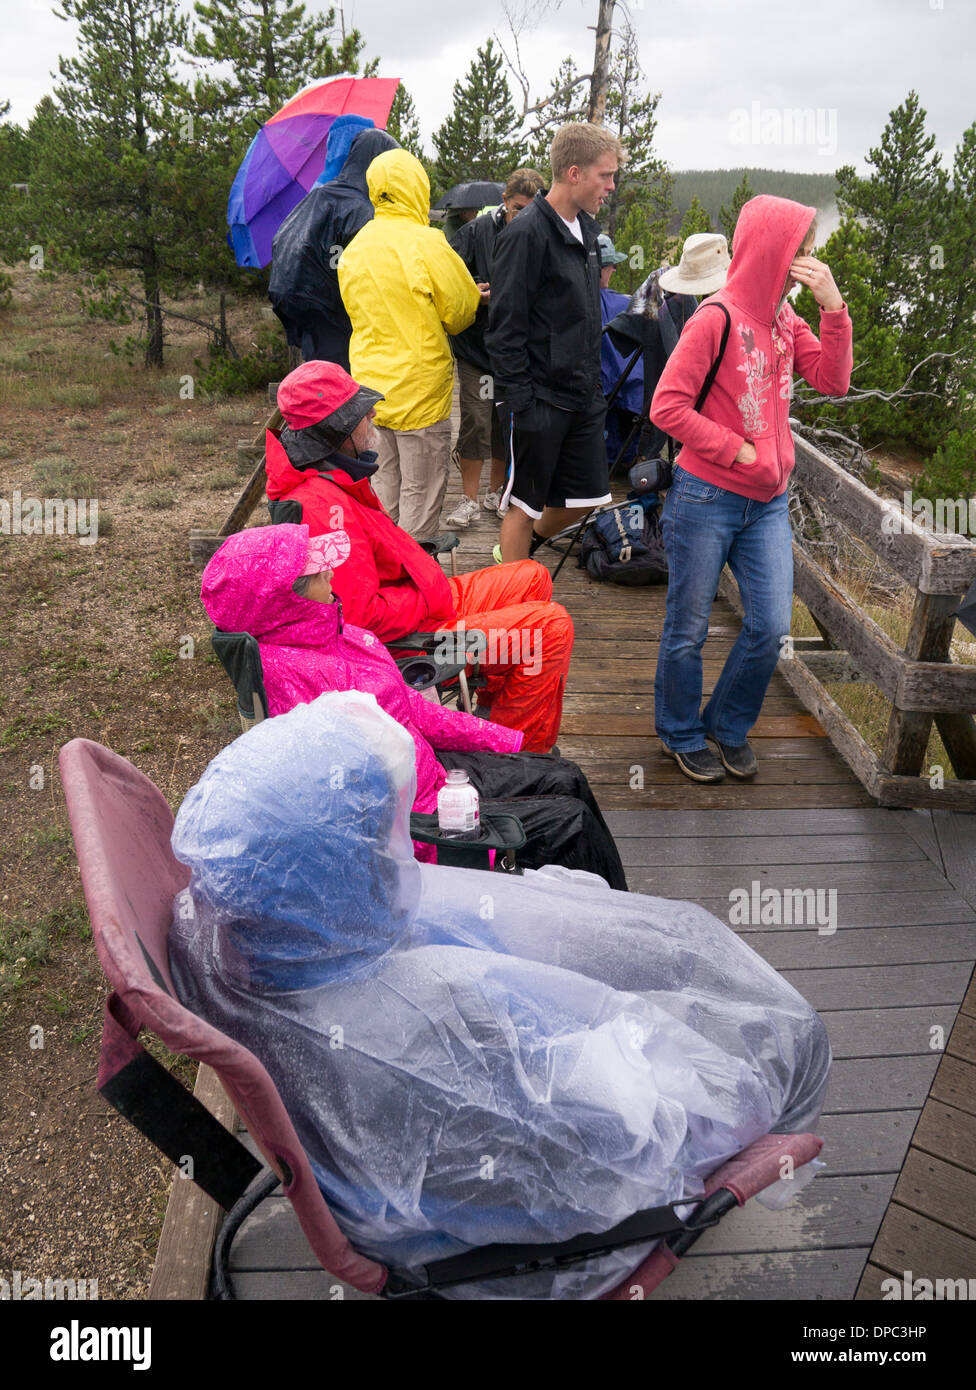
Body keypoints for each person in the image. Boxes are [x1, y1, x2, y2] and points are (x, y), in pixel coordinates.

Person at [169, 691, 832, 1299]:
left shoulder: (237, 934)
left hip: (404, 1179)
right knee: (769, 1040)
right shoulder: (420, 1026)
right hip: (502, 1250)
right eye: (382, 836)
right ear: (343, 869)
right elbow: (601, 1159)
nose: (394, 851)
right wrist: (661, 1082)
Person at [201, 522, 626, 887]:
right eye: (318, 571)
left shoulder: (338, 636)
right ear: (285, 599)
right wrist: (442, 837)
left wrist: (506, 741)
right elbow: (354, 801)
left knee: (565, 776)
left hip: (430, 769)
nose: (331, 574)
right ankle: (620, 939)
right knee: (573, 824)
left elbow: (414, 709)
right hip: (422, 820)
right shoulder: (297, 679)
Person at [264, 359, 575, 753]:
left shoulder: (329, 477)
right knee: (549, 630)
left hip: (421, 608)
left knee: (531, 575)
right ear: (338, 432)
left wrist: (426, 589)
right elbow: (357, 619)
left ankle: (495, 720)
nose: (373, 413)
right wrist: (424, 595)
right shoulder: (322, 507)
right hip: (409, 642)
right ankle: (520, 758)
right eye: (360, 412)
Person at [650, 195, 852, 784]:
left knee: (770, 626)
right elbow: (668, 406)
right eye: (800, 247)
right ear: (772, 250)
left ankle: (727, 726)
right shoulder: (715, 317)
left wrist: (833, 308)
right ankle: (680, 732)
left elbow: (833, 382)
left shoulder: (785, 320)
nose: (807, 258)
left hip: (767, 503)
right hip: (705, 496)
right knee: (687, 629)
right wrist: (734, 448)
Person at [485, 122, 625, 562]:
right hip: (537, 399)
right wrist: (520, 402)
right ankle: (513, 602)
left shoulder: (586, 230)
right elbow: (504, 327)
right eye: (605, 175)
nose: (612, 185)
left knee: (588, 498)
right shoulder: (525, 234)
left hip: (582, 395)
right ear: (574, 173)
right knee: (523, 505)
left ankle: (524, 551)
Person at [337, 148, 480, 541]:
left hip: (369, 392)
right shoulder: (428, 243)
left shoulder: (355, 248)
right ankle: (414, 577)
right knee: (422, 490)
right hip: (420, 392)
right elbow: (460, 311)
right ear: (416, 187)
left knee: (382, 488)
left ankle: (382, 572)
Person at [445, 168, 547, 529]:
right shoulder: (475, 232)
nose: (525, 214)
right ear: (504, 202)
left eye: (532, 208)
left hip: (517, 350)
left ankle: (496, 492)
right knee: (475, 420)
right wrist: (476, 291)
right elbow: (449, 277)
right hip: (476, 346)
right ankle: (468, 498)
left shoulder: (541, 235)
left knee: (505, 422)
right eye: (519, 207)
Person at [268, 124, 400, 369]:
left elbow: (282, 242)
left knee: (319, 387)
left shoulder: (318, 195)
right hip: (338, 321)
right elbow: (371, 274)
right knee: (341, 393)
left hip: (305, 314)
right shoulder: (361, 209)